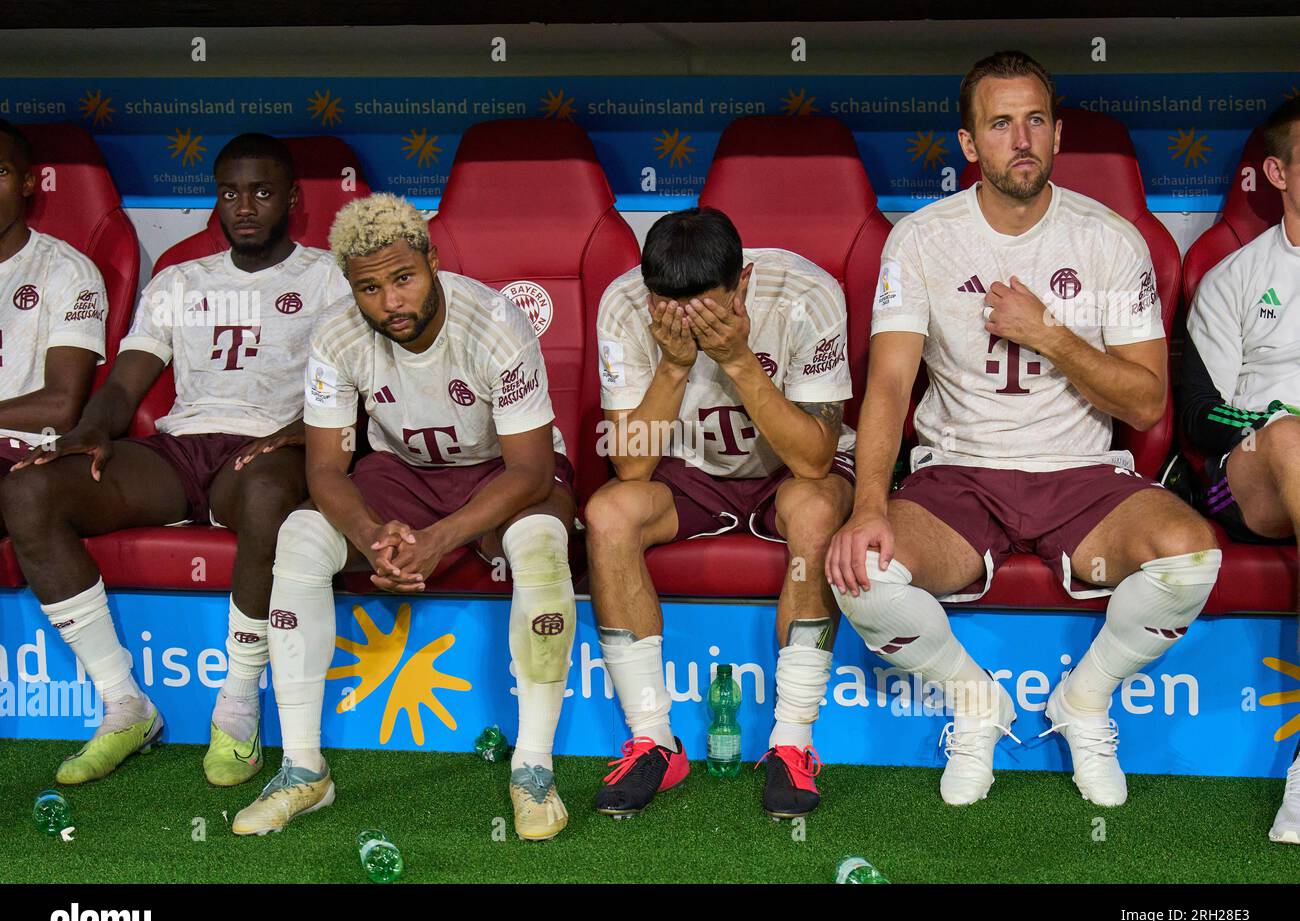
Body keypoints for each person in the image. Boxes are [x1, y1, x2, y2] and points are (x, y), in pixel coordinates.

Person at [827, 51, 1221, 808]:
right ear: (970, 145)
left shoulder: (1109, 239)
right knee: (863, 572)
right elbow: (887, 386)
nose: (1022, 139)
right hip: (958, 474)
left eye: (1035, 121)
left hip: (1082, 474)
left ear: (1058, 134)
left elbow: (1144, 405)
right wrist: (870, 503)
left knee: (1191, 556)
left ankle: (1085, 698)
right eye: (1001, 124)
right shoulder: (921, 240)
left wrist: (1052, 335)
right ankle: (975, 701)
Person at [2, 134, 350, 787]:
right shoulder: (180, 278)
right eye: (230, 192)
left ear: (294, 200)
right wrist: (90, 430)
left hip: (267, 448)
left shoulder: (327, 276)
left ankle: (237, 705)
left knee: (270, 492)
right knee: (30, 491)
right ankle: (124, 703)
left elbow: (357, 379)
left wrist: (304, 430)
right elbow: (126, 384)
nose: (244, 206)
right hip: (181, 447)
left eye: (263, 191)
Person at [232, 193, 578, 841]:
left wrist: (438, 539)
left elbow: (530, 468)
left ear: (432, 261)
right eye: (369, 287)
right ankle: (304, 767)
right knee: (303, 534)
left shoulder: (495, 321)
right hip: (403, 475)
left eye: (403, 278)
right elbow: (327, 469)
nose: (391, 301)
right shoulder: (337, 334)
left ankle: (533, 766)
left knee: (538, 539)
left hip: (499, 468)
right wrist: (371, 534)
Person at [585, 207, 856, 818]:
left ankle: (792, 743)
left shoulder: (807, 293)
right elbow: (631, 465)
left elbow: (815, 457)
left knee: (815, 509)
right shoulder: (624, 302)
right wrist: (676, 363)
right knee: (608, 515)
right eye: (670, 307)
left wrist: (737, 359)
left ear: (743, 281)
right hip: (689, 475)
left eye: (705, 306)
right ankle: (654, 740)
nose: (687, 322)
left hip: (789, 472)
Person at [1180, 95, 1300, 843]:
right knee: (1291, 440)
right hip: (1248, 474)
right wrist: (1272, 424)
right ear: (1278, 173)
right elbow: (1200, 414)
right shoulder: (1233, 277)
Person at [0, 118, 105, 516]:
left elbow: (61, 406)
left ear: (28, 184)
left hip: (17, 450)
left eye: (0, 171)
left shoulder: (65, 271)